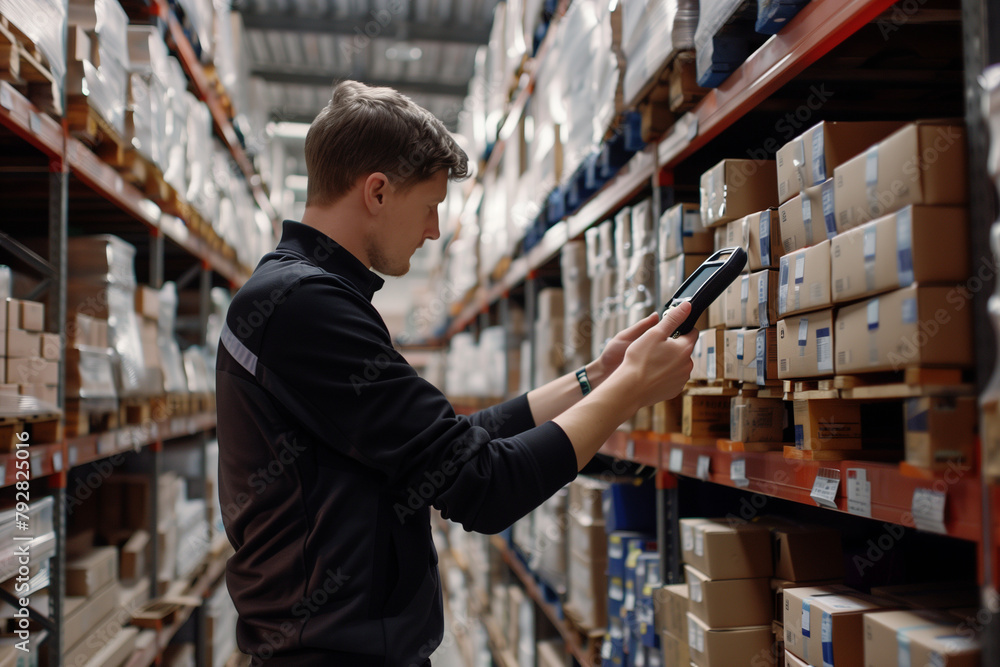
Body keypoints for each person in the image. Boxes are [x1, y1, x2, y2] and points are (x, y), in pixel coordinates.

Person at [215, 80, 697, 666]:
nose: (434, 230)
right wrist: (631, 391)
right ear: (377, 192)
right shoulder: (302, 307)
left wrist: (594, 377)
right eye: (431, 206)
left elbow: (444, 444)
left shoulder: (310, 296)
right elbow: (486, 487)